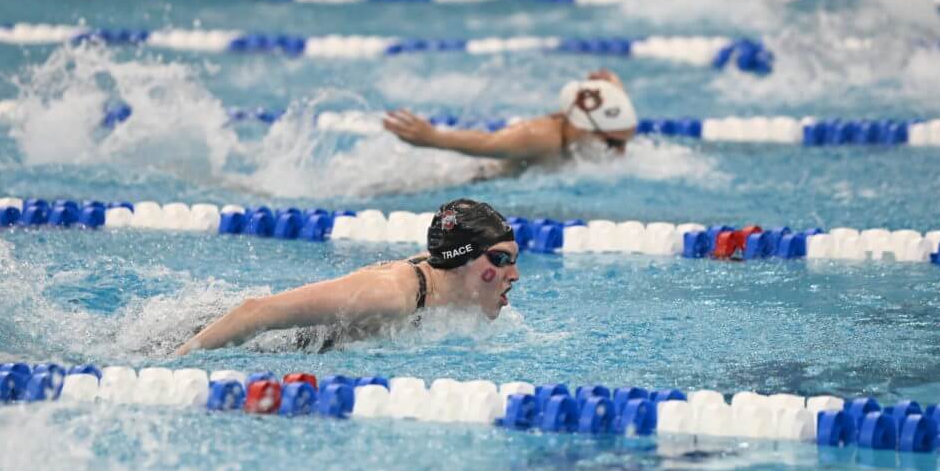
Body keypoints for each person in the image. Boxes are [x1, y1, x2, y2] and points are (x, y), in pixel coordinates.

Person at [174, 199, 519, 355]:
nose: (514, 275)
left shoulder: (442, 280)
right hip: (205, 332)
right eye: (501, 259)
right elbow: (256, 312)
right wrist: (174, 364)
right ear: (462, 260)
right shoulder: (392, 296)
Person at [382, 69, 637, 179]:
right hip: (477, 176)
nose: (622, 151)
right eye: (614, 143)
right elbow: (488, 142)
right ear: (583, 128)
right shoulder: (540, 137)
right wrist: (434, 137)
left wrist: (612, 88)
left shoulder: (585, 126)